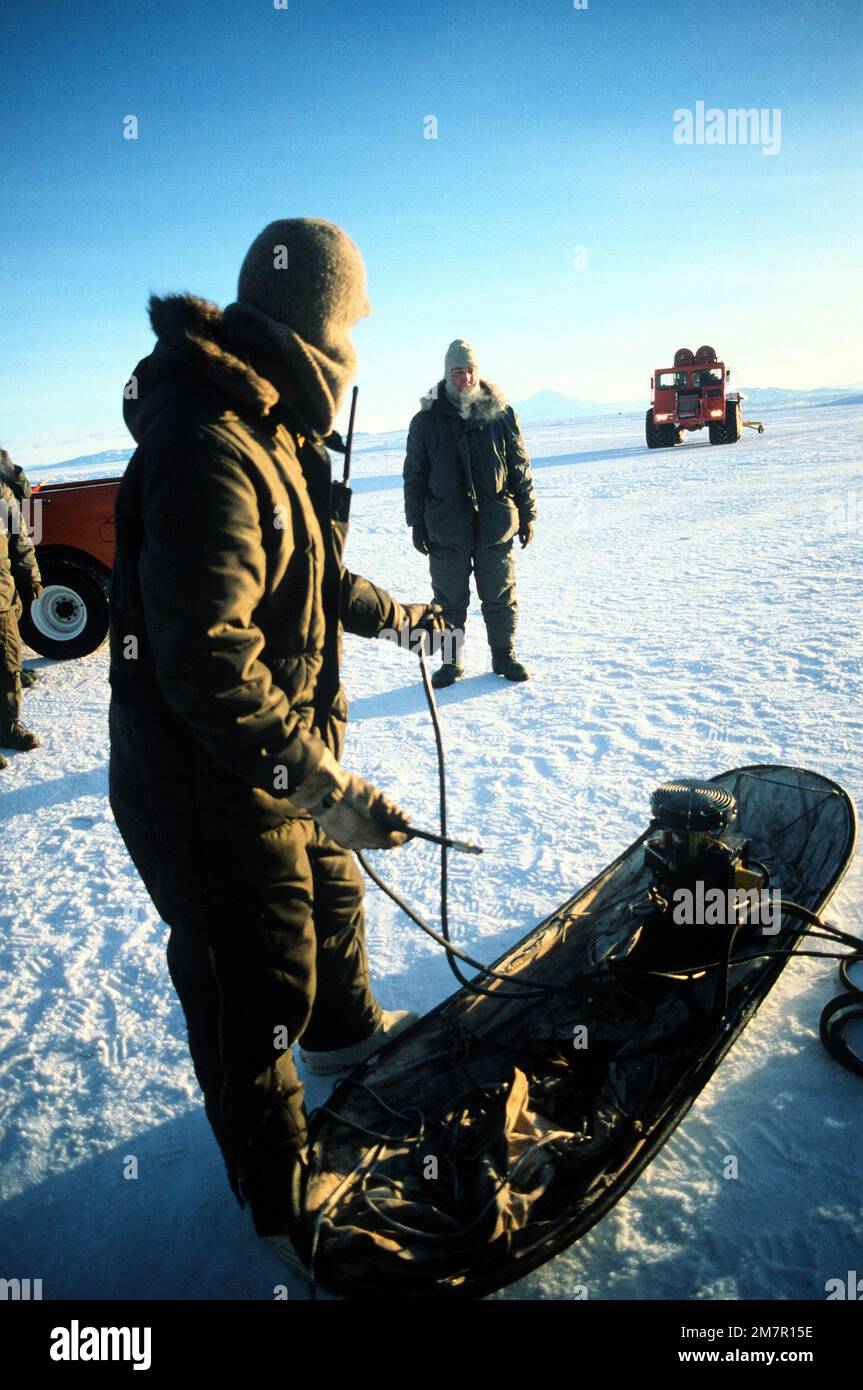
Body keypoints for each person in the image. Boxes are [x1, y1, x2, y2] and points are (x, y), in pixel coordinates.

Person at [108, 218, 444, 1262]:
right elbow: (208, 663)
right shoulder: (207, 444)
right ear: (317, 330)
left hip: (276, 753)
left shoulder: (266, 429)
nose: (357, 356)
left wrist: (394, 613)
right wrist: (323, 787)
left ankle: (347, 1057)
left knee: (331, 901)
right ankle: (280, 1192)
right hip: (210, 777)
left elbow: (310, 571)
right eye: (353, 328)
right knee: (254, 978)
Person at [403, 340, 537, 687]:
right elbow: (414, 474)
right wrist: (416, 522)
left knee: (499, 593)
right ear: (447, 373)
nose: (464, 377)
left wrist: (528, 512)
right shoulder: (426, 420)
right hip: (446, 525)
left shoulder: (501, 414)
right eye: (458, 371)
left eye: (470, 370)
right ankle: (451, 664)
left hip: (494, 521)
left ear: (478, 372)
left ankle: (504, 657)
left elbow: (518, 465)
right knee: (449, 599)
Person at [0, 478, 43, 765]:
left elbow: (21, 540)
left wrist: (31, 576)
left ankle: (8, 727)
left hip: (1, 595)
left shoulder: (2, 494)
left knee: (8, 663)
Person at [0, 447, 41, 689]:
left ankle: (13, 673)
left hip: (5, 584)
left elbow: (20, 539)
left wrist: (32, 577)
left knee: (9, 635)